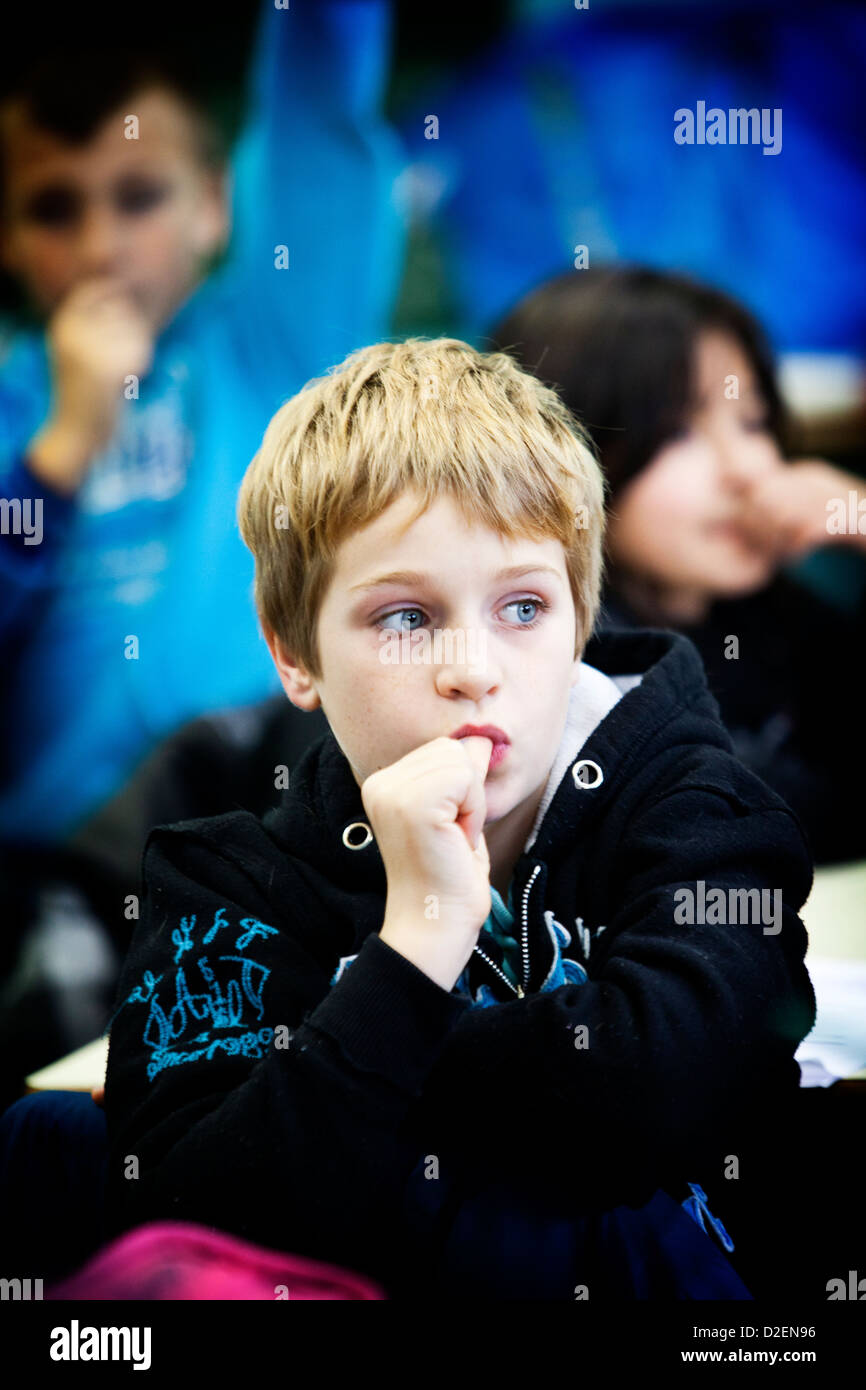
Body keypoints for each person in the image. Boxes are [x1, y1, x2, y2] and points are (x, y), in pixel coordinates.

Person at [102, 336, 816, 1300]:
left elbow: (668, 1093)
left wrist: (356, 1064)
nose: (473, 666)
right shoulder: (219, 884)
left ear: (580, 622)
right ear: (294, 653)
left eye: (524, 607)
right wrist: (417, 946)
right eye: (405, 618)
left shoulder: (702, 810)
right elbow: (197, 1226)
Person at [0, 1, 405, 848]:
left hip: (274, 829)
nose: (101, 245)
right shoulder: (14, 400)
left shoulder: (277, 337)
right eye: (54, 209)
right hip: (56, 881)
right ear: (7, 237)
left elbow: (318, 96)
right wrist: (64, 447)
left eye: (139, 196)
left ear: (215, 205)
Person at [490, 266, 866, 865]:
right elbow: (728, 816)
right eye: (680, 432)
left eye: (753, 422)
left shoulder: (769, 615)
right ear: (562, 460)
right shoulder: (561, 658)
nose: (746, 466)